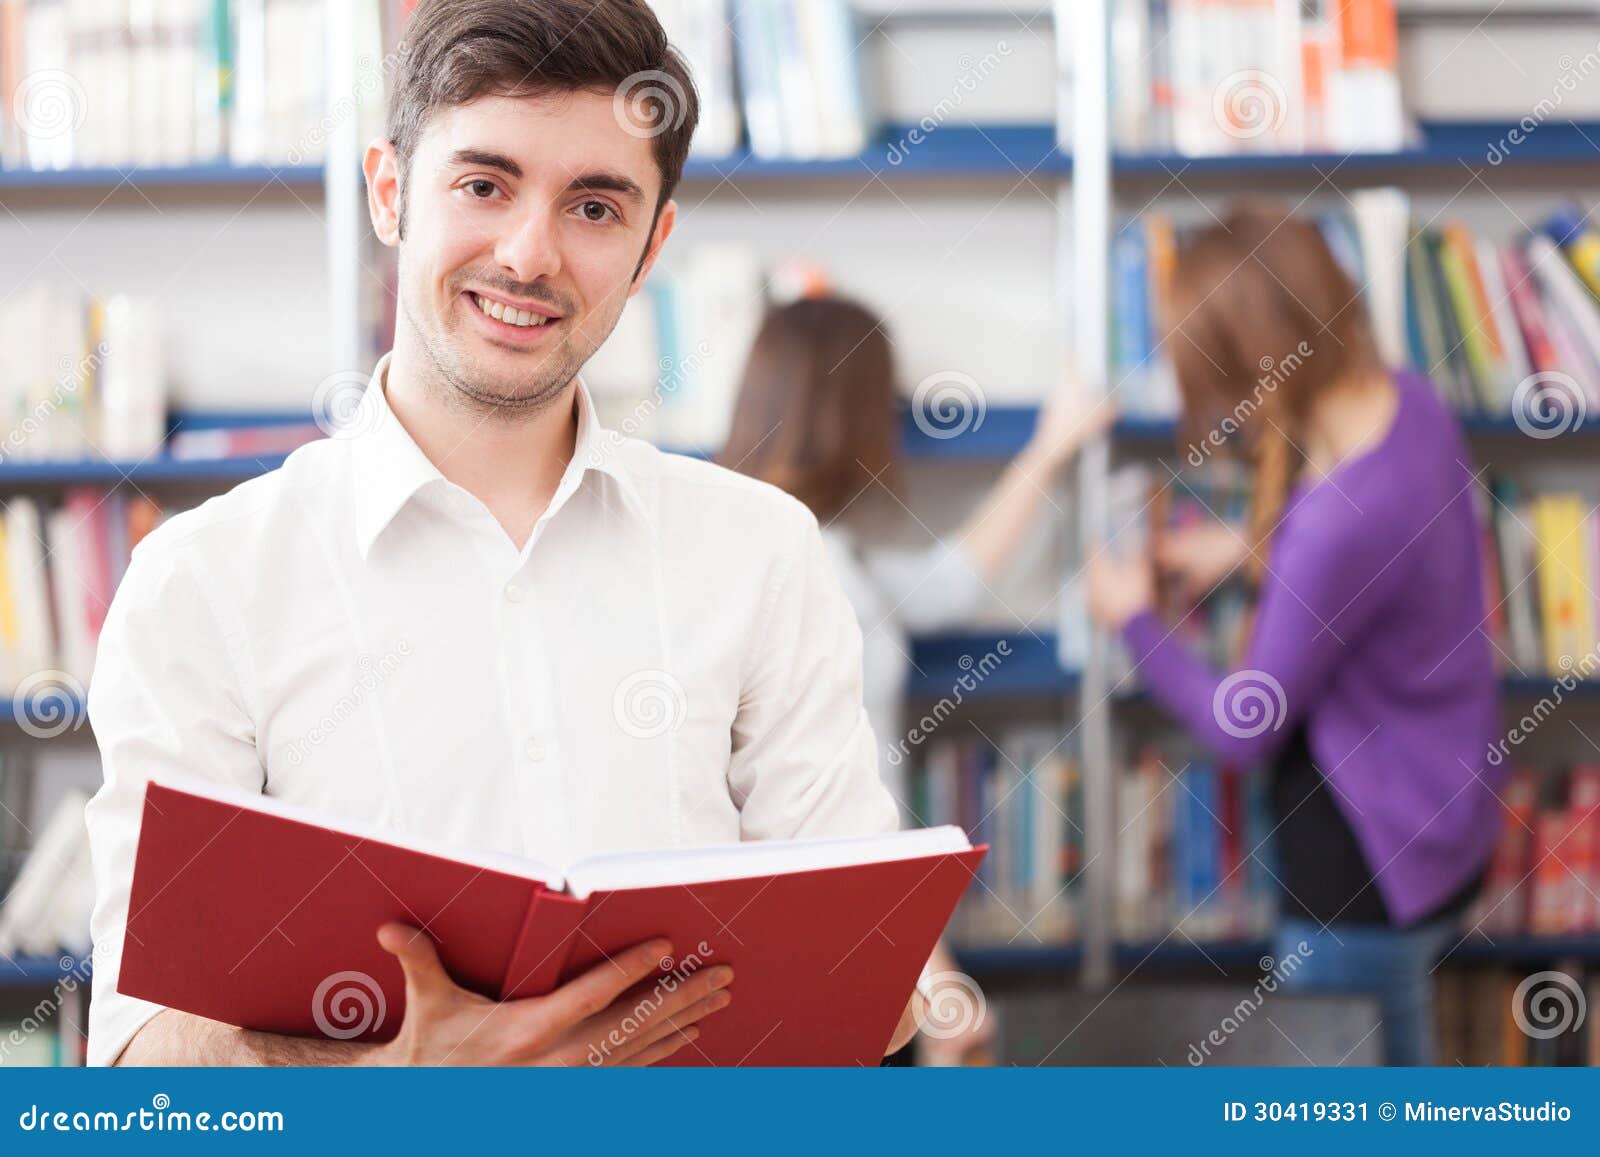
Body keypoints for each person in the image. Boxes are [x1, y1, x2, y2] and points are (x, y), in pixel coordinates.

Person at [83, 0, 923, 1067]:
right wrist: (396, 1081)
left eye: (594, 206)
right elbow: (136, 1063)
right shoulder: (202, 584)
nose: (529, 255)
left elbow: (877, 985)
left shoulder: (760, 553)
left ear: (651, 243)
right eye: (483, 185)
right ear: (392, 193)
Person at [1086, 202, 1503, 1066]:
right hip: (1446, 818)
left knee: (1350, 1099)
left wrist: (1133, 618)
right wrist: (1248, 546)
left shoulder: (1331, 526)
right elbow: (1386, 553)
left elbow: (1246, 723)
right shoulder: (1412, 404)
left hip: (1361, 864)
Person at [720, 295, 1111, 1064]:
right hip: (838, 950)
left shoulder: (799, 543)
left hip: (832, 946)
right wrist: (929, 968)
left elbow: (945, 586)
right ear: (850, 413)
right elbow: (813, 808)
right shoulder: (803, 566)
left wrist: (1047, 450)